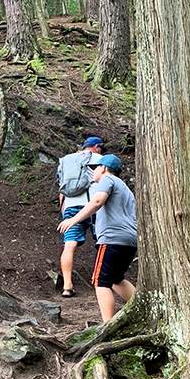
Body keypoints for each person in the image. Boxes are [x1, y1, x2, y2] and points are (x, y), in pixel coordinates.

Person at [57, 153, 136, 322]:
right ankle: (146, 310)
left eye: (95, 168)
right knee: (116, 280)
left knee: (101, 281)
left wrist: (73, 219)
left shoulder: (108, 180)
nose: (93, 172)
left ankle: (108, 326)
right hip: (129, 241)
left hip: (112, 239)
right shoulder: (125, 188)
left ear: (103, 168)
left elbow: (97, 201)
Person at [56, 136, 104, 297]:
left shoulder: (67, 161)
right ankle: (102, 281)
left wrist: (65, 213)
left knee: (69, 245)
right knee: (102, 242)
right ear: (96, 147)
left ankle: (67, 286)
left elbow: (61, 188)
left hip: (70, 206)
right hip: (92, 206)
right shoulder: (99, 159)